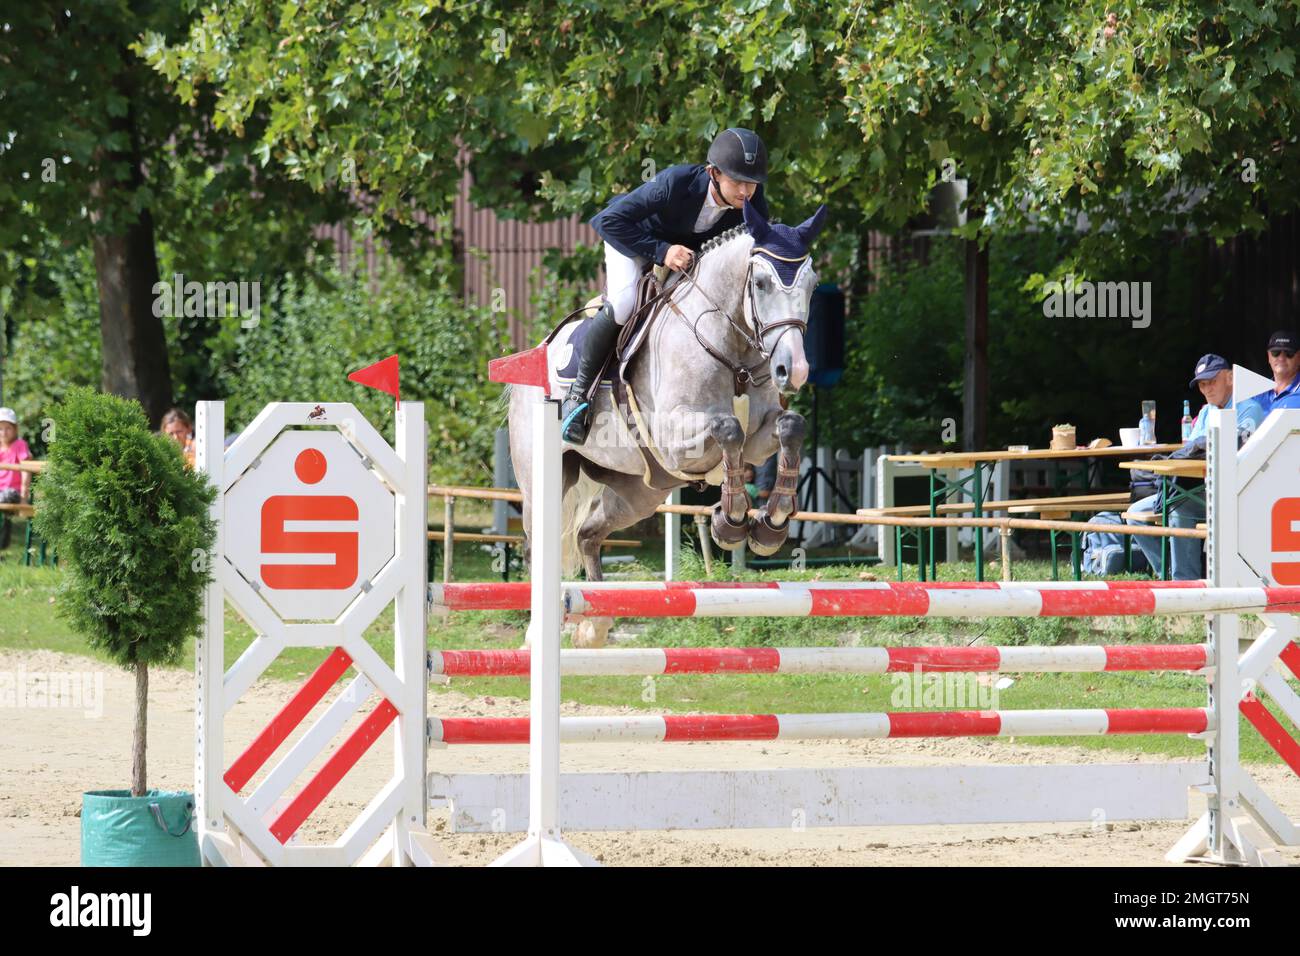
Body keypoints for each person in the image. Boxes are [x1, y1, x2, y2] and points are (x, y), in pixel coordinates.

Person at [560, 128, 772, 444]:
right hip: (633, 242)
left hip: (687, 260)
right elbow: (608, 221)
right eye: (737, 182)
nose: (745, 191)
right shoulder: (676, 183)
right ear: (713, 173)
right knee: (624, 304)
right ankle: (578, 396)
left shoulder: (753, 203)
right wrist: (661, 251)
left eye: (751, 183)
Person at [1124, 354, 1233, 579]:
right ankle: (1170, 575)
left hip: (1227, 491)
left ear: (1230, 377)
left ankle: (1185, 580)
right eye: (1203, 384)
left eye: (1212, 381)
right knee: (1135, 513)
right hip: (1195, 487)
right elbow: (1189, 451)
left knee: (1179, 507)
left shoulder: (1244, 407)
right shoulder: (1205, 412)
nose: (1208, 388)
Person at [0, 407, 32, 550]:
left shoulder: (20, 445)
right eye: (0, 429)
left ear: (15, 429)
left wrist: (24, 495)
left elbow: (26, 469)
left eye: (8, 428)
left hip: (12, 493)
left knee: (6, 496)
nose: (4, 432)